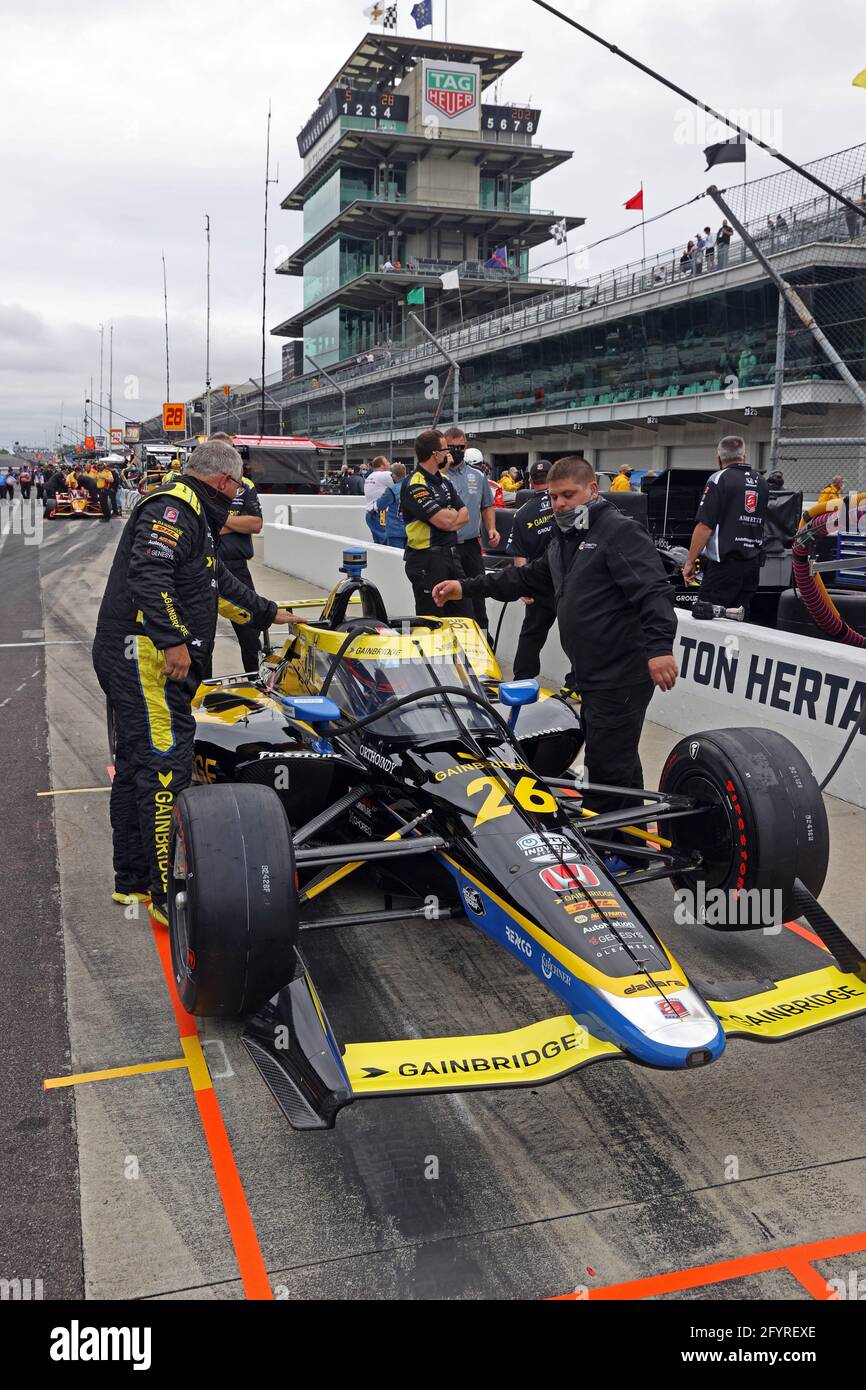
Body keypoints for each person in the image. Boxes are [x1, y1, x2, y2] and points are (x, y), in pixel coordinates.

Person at [431, 456, 678, 861]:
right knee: (616, 759)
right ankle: (629, 846)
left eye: (569, 495)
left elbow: (653, 592)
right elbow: (523, 578)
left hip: (622, 671)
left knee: (607, 765)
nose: (560, 504)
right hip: (591, 672)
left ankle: (610, 850)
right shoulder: (564, 540)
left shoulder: (618, 532)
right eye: (554, 496)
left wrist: (660, 648)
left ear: (591, 492)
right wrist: (466, 586)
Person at [91, 439, 297, 923]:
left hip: (141, 655)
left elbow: (216, 582)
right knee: (165, 768)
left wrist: (271, 614)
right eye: (238, 485)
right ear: (224, 481)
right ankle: (167, 896)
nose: (238, 493)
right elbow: (149, 576)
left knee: (137, 762)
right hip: (145, 659)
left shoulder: (196, 514)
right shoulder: (174, 507)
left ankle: (133, 882)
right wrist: (173, 640)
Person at [682, 436, 769, 618]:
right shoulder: (761, 482)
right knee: (738, 619)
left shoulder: (718, 479)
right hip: (752, 566)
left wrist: (690, 562)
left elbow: (704, 526)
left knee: (706, 617)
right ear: (744, 457)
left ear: (719, 459)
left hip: (724, 567)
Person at [507, 459, 575, 692]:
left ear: (529, 481)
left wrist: (522, 585)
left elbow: (519, 555)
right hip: (571, 582)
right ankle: (576, 683)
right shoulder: (570, 503)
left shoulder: (522, 513)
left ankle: (522, 681)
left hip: (539, 583)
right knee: (578, 634)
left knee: (532, 634)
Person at [401, 428, 471, 618]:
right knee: (431, 622)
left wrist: (448, 519)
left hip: (451, 556)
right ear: (435, 454)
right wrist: (449, 517)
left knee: (465, 616)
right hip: (426, 560)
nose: (449, 452)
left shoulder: (445, 480)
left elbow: (466, 515)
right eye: (445, 448)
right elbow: (442, 521)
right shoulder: (415, 483)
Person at [441, 430, 499, 632]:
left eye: (460, 447)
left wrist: (491, 528)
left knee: (478, 593)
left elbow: (487, 505)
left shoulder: (478, 476)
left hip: (471, 546)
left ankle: (483, 638)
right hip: (446, 547)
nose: (456, 451)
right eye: (451, 447)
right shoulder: (437, 477)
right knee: (452, 597)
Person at [217, 459, 268, 675]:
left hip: (237, 567)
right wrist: (236, 523)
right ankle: (198, 691)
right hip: (202, 567)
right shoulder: (199, 485)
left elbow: (255, 524)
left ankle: (256, 680)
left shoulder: (245, 485)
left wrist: (221, 520)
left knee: (250, 629)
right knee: (200, 634)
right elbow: (202, 527)